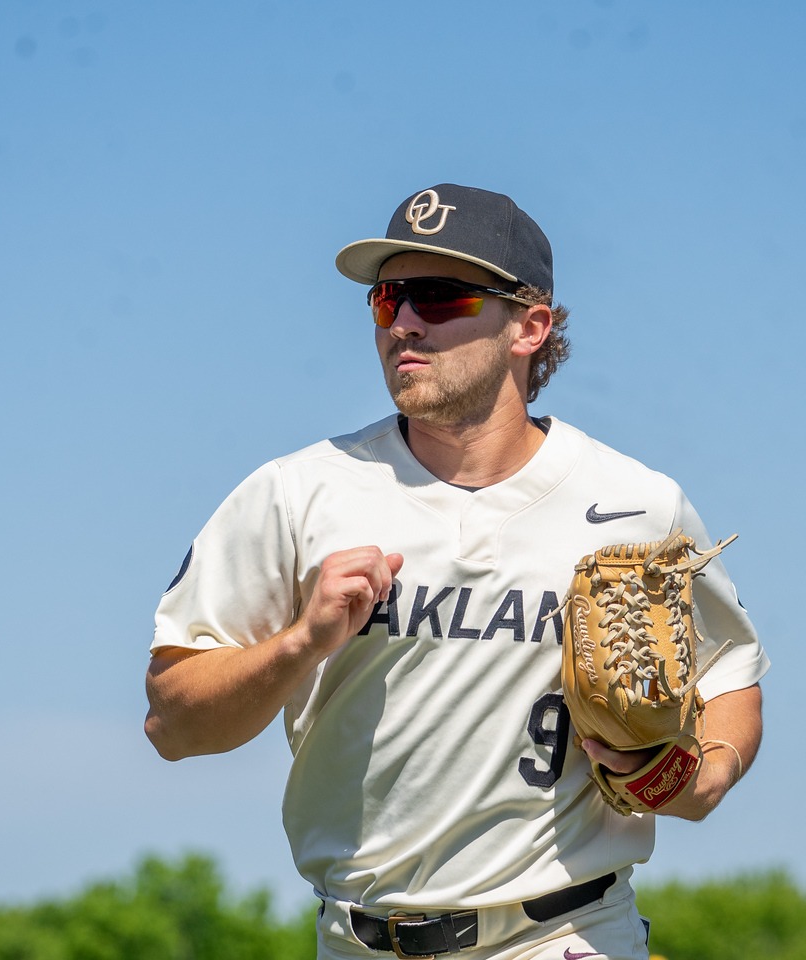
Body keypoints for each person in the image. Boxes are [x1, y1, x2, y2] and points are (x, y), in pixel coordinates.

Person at [144, 183, 768, 960]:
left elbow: (731, 672)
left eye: (439, 298)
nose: (404, 322)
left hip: (567, 933)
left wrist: (707, 773)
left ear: (530, 327)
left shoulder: (637, 503)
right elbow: (172, 724)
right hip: (357, 939)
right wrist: (299, 643)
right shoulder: (297, 493)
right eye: (387, 299)